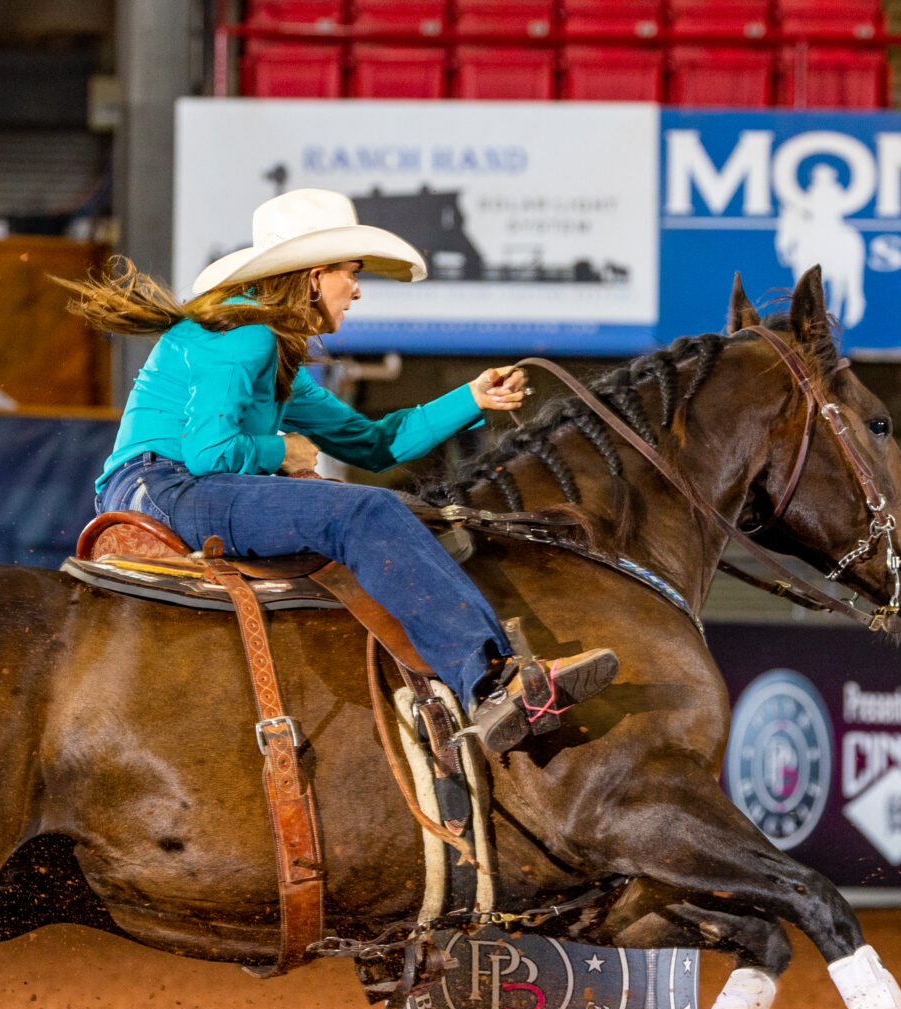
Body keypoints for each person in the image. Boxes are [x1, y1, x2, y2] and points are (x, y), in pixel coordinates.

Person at [67, 187, 618, 758]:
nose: (356, 289)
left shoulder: (272, 356)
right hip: (163, 487)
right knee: (368, 509)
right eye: (350, 273)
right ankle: (493, 684)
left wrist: (472, 398)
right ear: (312, 277)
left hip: (166, 486)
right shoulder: (247, 336)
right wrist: (282, 453)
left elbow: (374, 445)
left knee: (370, 508)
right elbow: (210, 453)